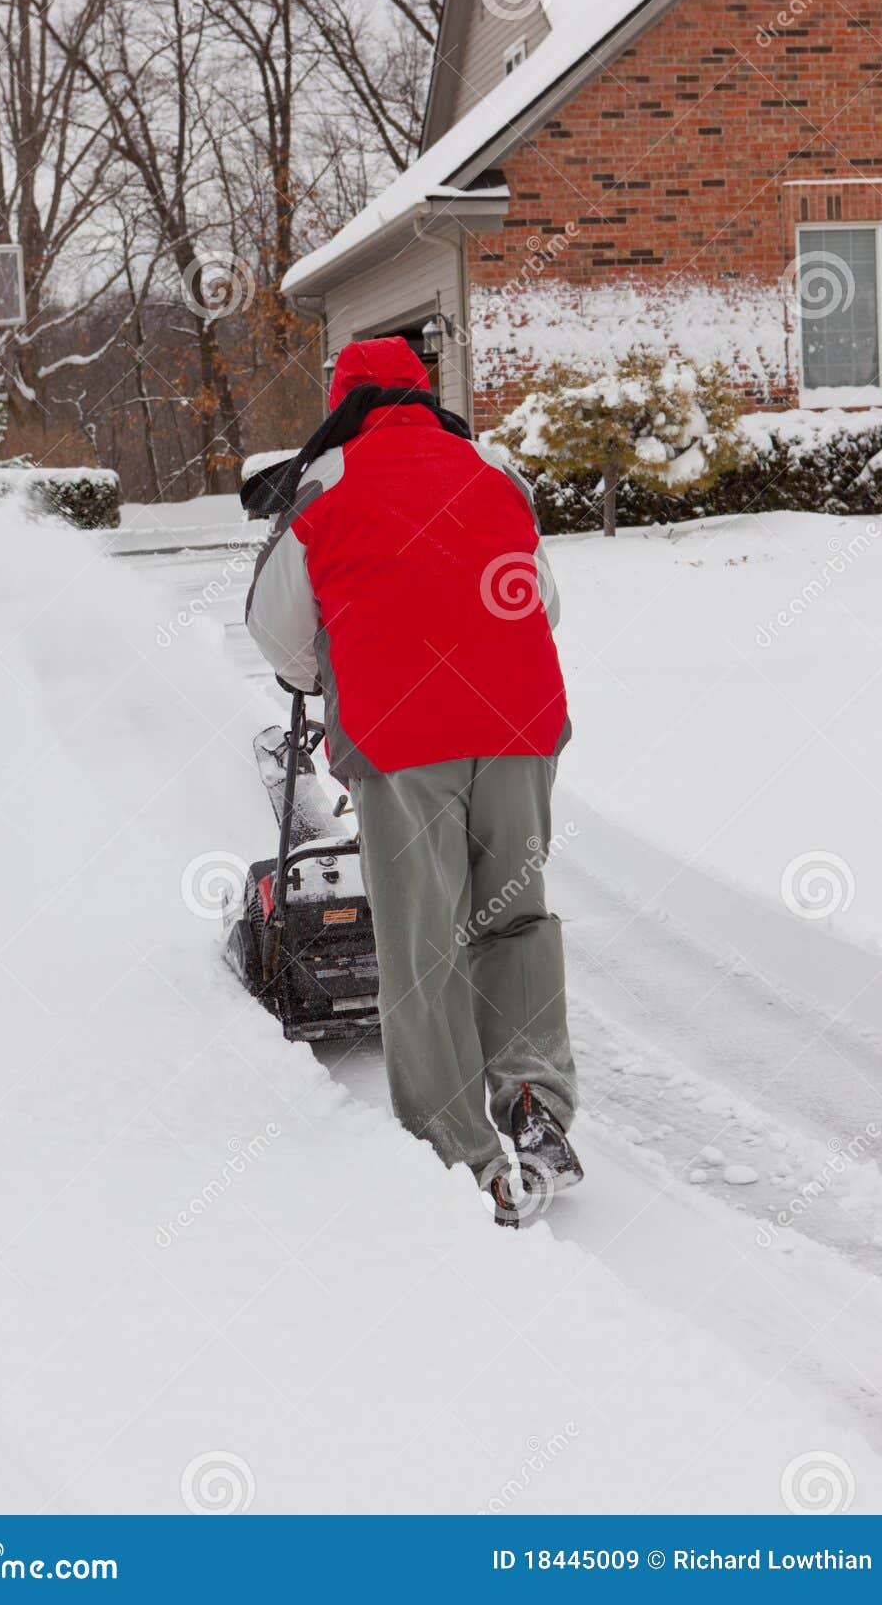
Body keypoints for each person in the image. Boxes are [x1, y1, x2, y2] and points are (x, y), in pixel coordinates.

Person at [244, 336, 581, 1226]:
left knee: (422, 940)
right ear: (423, 394)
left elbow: (275, 630)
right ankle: (535, 1102)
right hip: (519, 726)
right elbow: (541, 601)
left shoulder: (322, 481)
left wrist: (324, 671)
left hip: (402, 735)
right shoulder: (491, 469)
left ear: (340, 399)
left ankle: (457, 1153)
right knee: (513, 914)